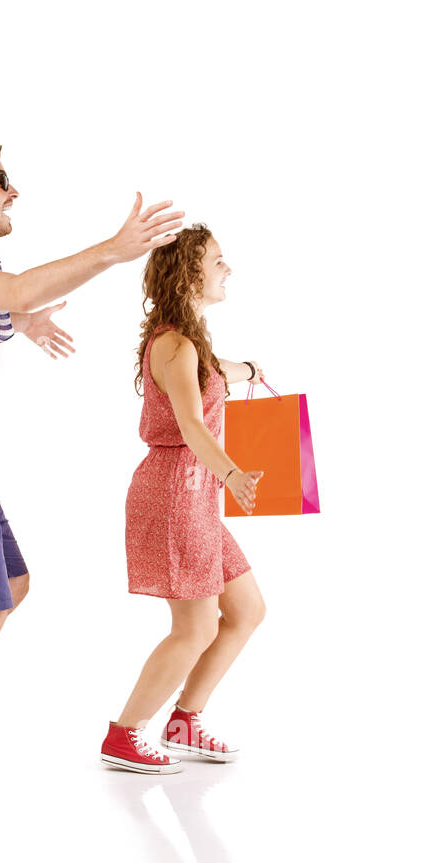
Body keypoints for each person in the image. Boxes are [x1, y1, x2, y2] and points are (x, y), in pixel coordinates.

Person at [0, 143, 185, 794]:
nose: (13, 192)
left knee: (10, 583)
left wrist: (22, 318)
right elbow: (6, 290)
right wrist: (111, 249)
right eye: (1, 182)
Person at [100, 224, 267, 774]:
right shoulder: (174, 343)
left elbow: (211, 374)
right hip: (177, 493)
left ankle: (185, 721)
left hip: (196, 496)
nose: (227, 270)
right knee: (193, 627)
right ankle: (124, 734)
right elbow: (194, 424)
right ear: (189, 272)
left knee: (245, 610)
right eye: (218, 261)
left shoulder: (190, 342)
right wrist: (234, 474)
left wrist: (249, 370)